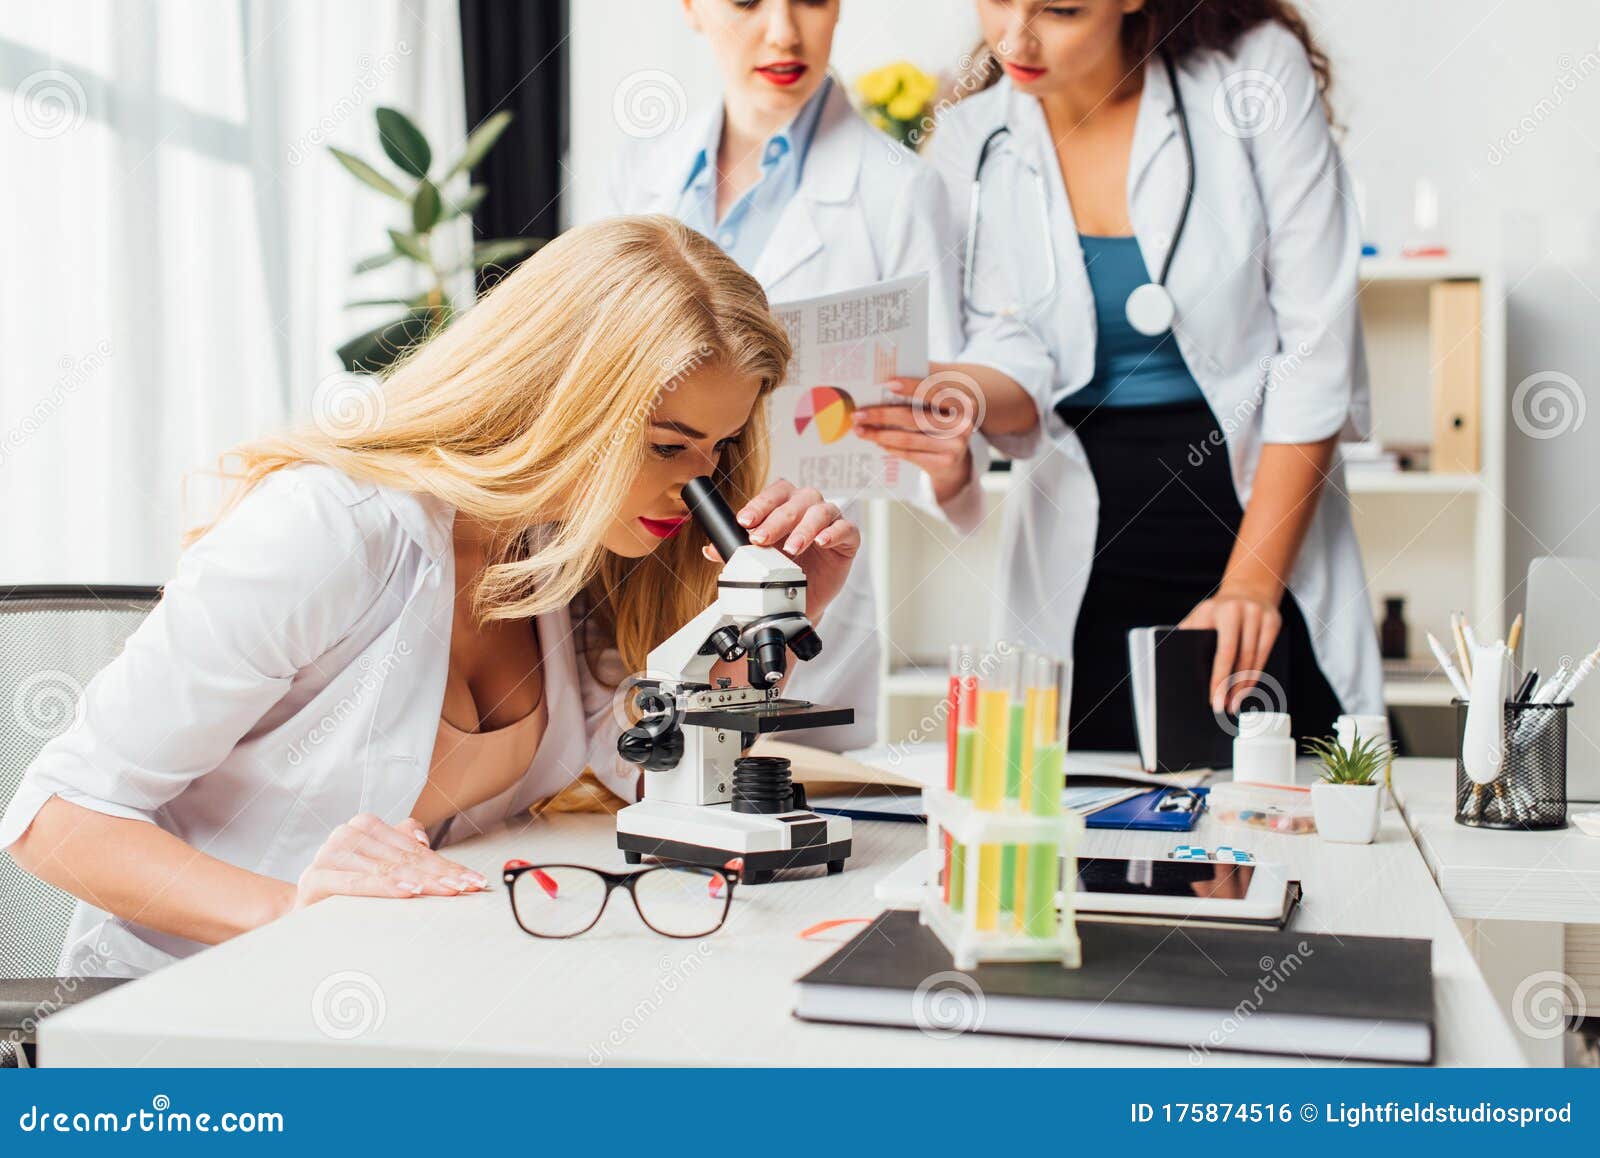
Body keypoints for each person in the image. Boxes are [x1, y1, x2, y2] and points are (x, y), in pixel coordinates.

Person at [0, 216, 859, 977]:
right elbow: (56, 818)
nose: (697, 483)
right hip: (197, 1004)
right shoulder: (333, 529)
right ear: (562, 400)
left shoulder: (574, 564)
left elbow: (656, 775)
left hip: (394, 988)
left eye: (717, 447)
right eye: (669, 444)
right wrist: (290, 912)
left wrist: (778, 612)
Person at [924, 0, 1382, 748]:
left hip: (1261, 521)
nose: (1014, 36)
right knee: (1087, 834)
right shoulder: (973, 137)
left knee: (1293, 819)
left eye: (1061, 10)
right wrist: (960, 398)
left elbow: (1317, 349)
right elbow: (1013, 358)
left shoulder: (1253, 75)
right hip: (1086, 552)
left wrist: (1251, 585)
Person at [599, 0, 1034, 749]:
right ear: (693, 8)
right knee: (631, 789)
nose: (784, 32)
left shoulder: (898, 189)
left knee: (784, 810)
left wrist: (948, 460)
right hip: (636, 569)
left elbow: (936, 420)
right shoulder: (640, 172)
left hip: (800, 578)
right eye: (747, 2)